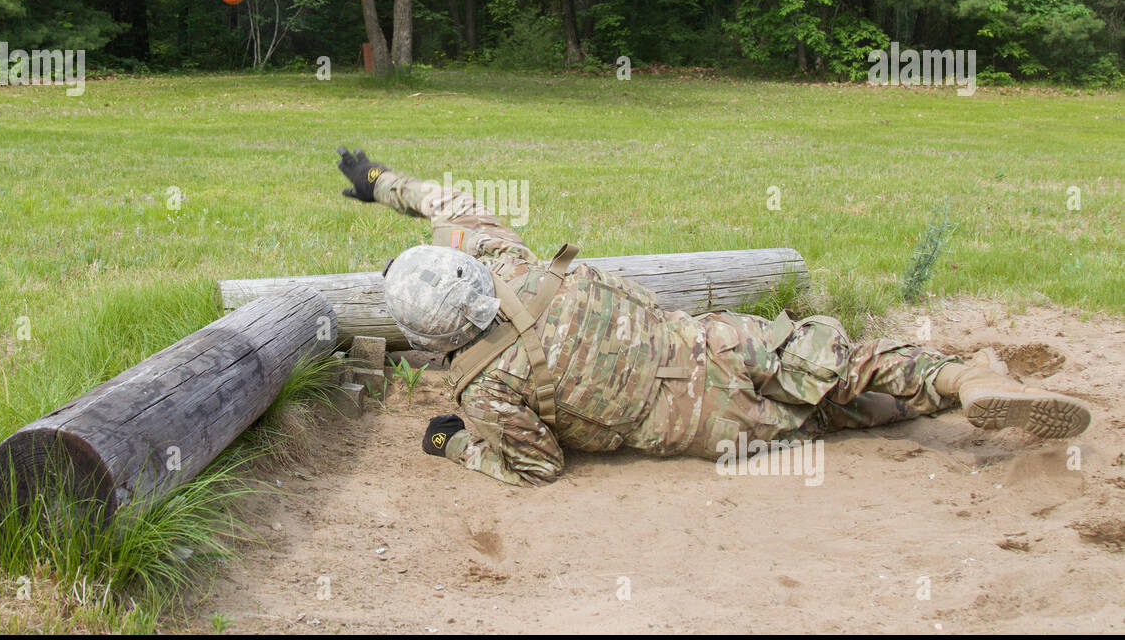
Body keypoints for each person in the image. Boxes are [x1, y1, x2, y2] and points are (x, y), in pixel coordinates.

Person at [336, 146, 1092, 487]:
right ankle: (961, 378)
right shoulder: (513, 264)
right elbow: (447, 203)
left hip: (702, 426)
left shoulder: (483, 390)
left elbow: (534, 467)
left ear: (433, 339)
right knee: (838, 359)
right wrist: (378, 182)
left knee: (834, 417)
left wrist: (457, 445)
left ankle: (904, 407)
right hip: (722, 345)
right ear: (469, 270)